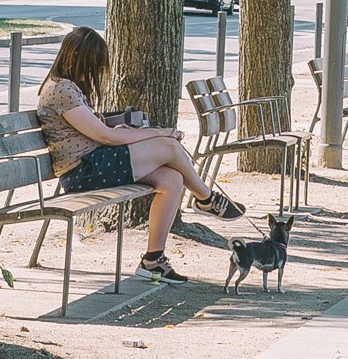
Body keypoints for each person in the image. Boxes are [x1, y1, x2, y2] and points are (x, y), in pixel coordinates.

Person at [36, 27, 245, 276]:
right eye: (91, 66)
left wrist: (124, 128)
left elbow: (101, 131)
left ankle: (153, 260)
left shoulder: (67, 86)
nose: (91, 75)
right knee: (169, 145)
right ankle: (206, 199)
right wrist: (159, 132)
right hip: (84, 171)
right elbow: (106, 137)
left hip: (95, 162)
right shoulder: (62, 90)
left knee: (172, 179)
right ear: (78, 58)